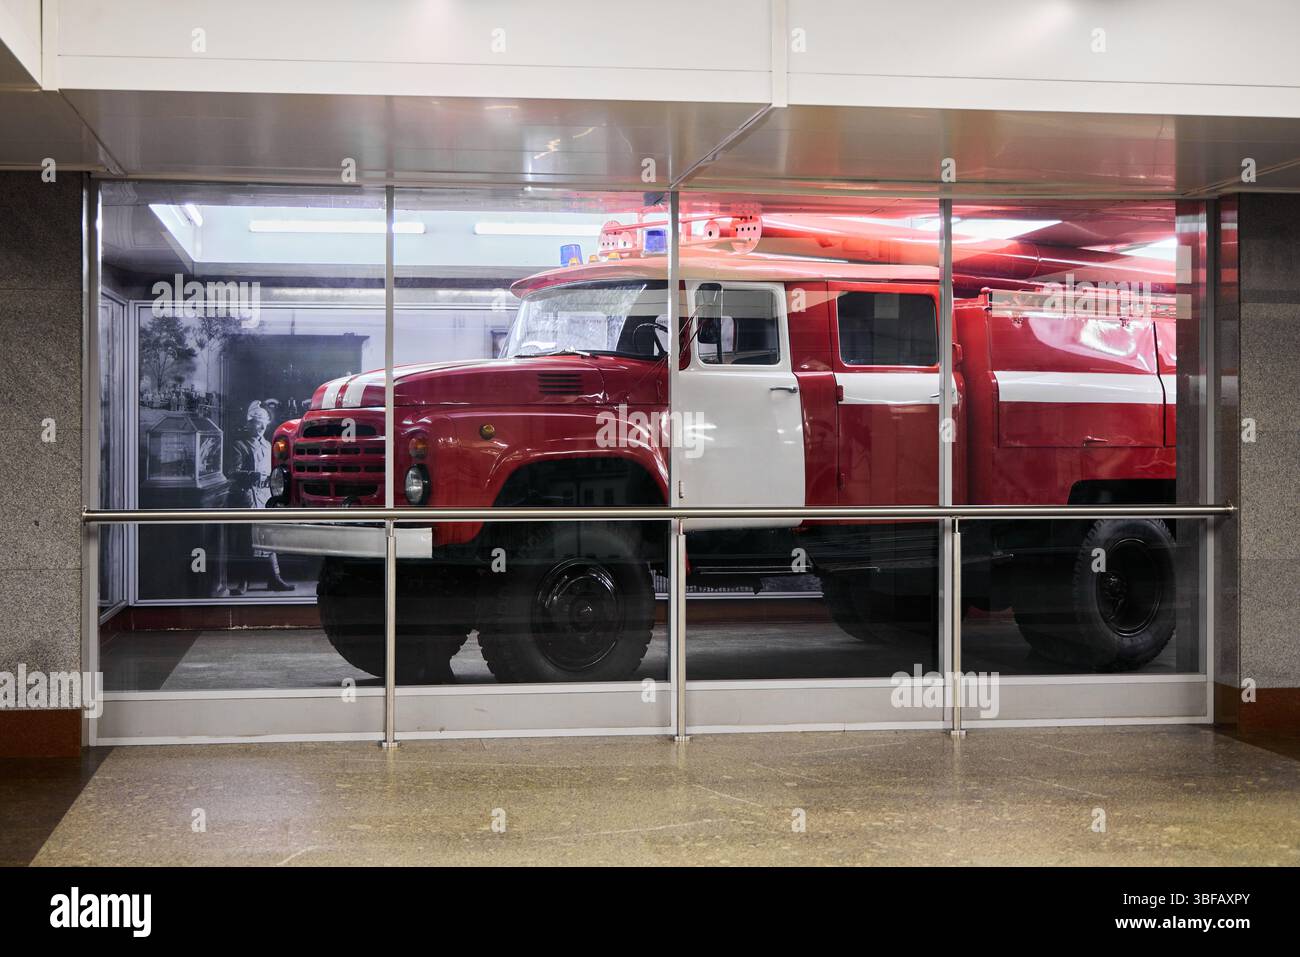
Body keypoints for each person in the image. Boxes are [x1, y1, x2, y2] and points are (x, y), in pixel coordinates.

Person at [226, 401, 293, 594]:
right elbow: (232, 472)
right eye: (257, 422)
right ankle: (242, 582)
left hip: (264, 497)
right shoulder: (239, 445)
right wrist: (253, 476)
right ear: (249, 424)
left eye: (264, 422)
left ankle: (275, 579)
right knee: (246, 540)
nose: (262, 426)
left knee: (268, 538)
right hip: (246, 497)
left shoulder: (267, 444)